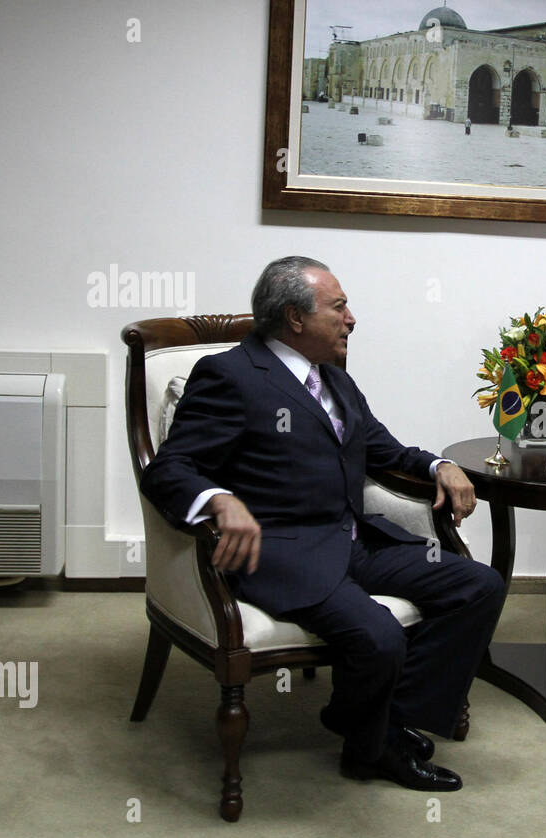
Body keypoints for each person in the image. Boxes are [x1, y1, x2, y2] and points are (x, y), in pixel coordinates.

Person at [140, 256, 505, 793]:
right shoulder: (230, 375)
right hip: (282, 552)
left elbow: (381, 447)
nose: (351, 318)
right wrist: (218, 499)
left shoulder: (333, 376)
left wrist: (437, 465)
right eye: (338, 307)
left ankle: (379, 721)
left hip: (355, 540)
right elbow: (169, 469)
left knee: (479, 586)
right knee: (379, 637)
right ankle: (370, 751)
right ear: (294, 316)